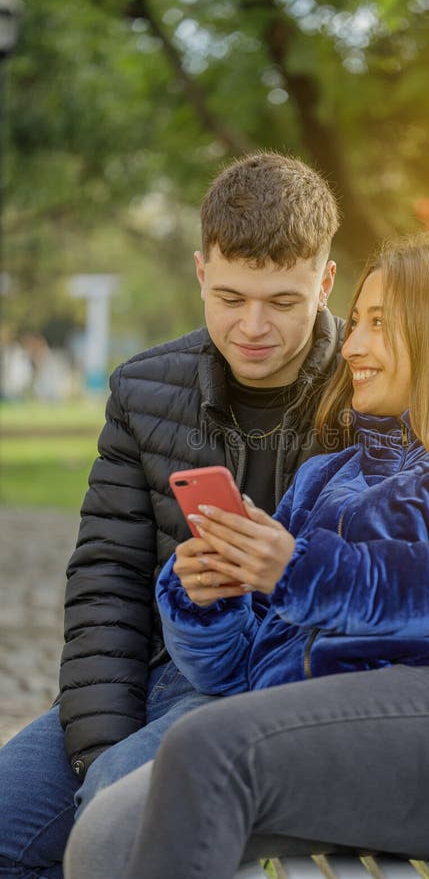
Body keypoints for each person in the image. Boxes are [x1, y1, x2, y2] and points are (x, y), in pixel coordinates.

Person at [64, 235, 429, 879]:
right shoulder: (329, 476)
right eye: (357, 322)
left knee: (208, 748)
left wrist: (297, 569)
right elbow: (238, 672)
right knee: (111, 831)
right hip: (322, 725)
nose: (350, 346)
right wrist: (210, 599)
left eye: (379, 324)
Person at [0, 151, 343, 879]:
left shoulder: (368, 392)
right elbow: (108, 578)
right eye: (229, 297)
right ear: (199, 272)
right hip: (162, 670)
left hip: (282, 690)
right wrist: (98, 750)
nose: (253, 326)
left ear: (326, 280)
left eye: (283, 302)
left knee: (115, 826)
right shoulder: (143, 388)